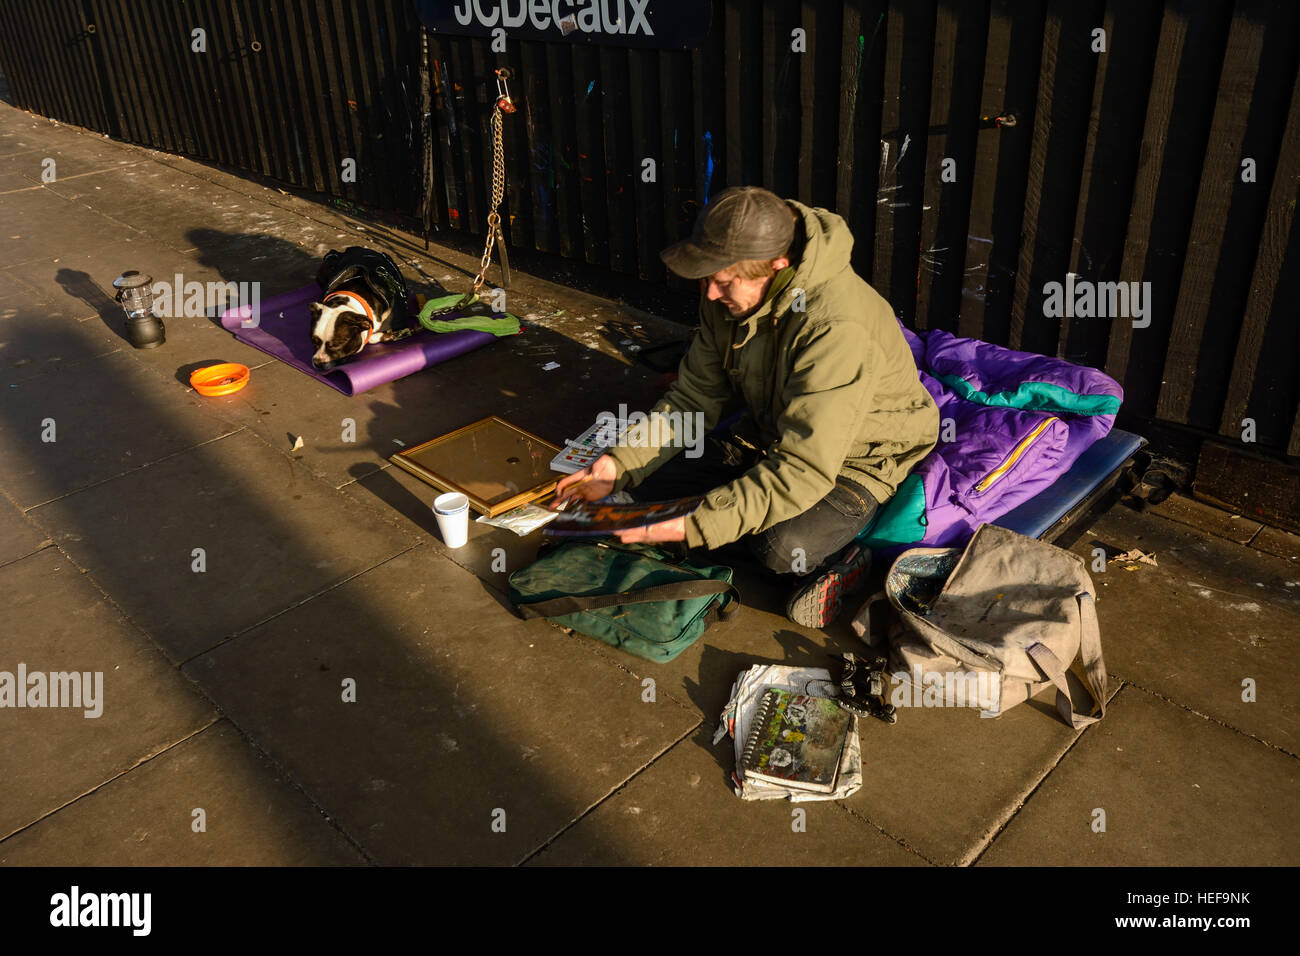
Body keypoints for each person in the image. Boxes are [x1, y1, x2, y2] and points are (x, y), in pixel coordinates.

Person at [555, 186, 939, 626]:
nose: (711, 294)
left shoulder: (836, 326)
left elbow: (804, 468)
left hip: (853, 460)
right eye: (706, 279)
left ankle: (846, 558)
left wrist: (690, 526)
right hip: (769, 433)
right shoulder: (728, 294)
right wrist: (618, 466)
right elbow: (693, 397)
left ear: (778, 265)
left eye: (723, 282)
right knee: (644, 487)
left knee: (780, 547)